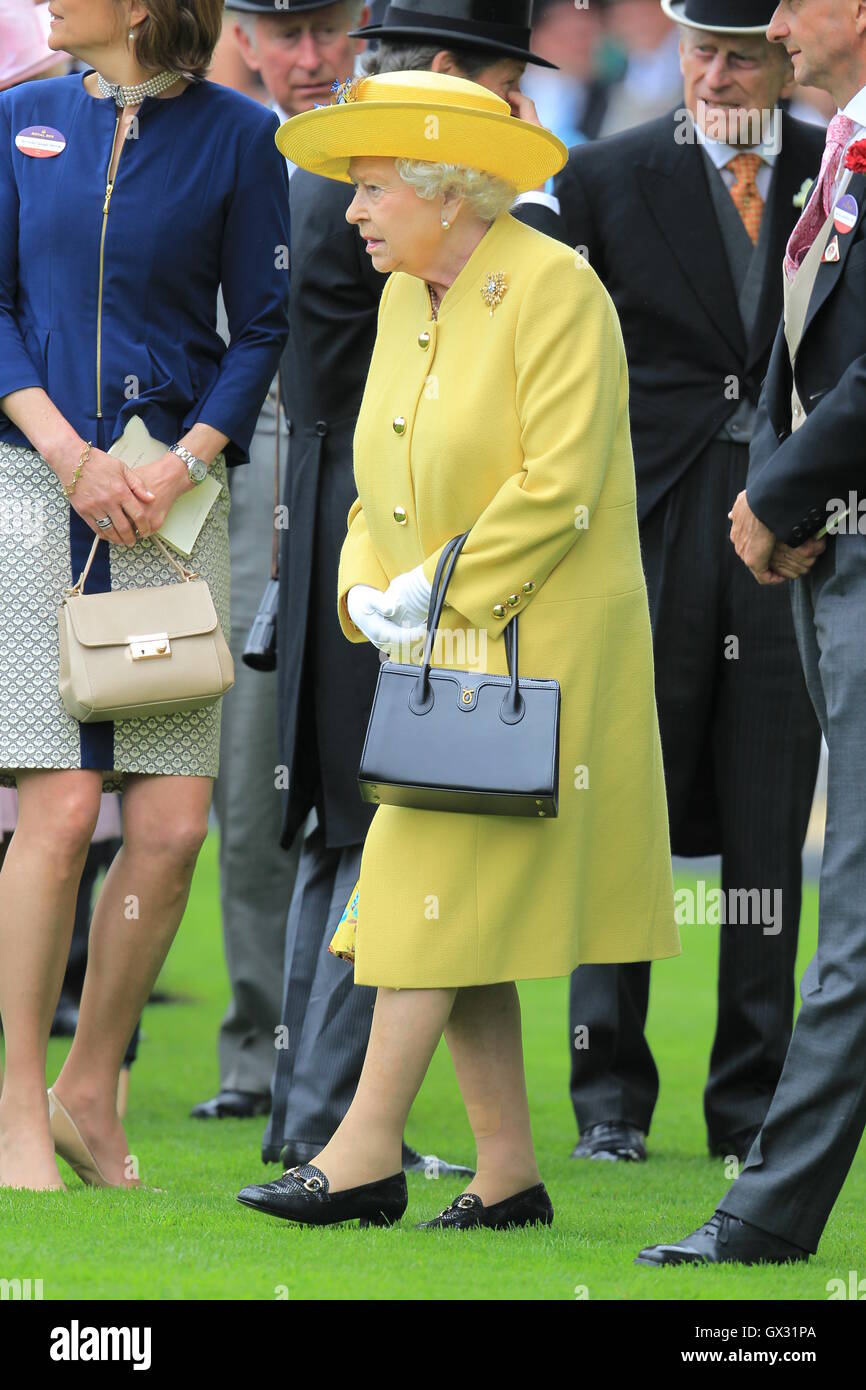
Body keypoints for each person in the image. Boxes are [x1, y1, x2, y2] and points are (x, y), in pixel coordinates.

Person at [237, 68, 681, 1230]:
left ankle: (361, 1150)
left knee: (421, 889)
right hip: (443, 658)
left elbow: (561, 488)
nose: (351, 214)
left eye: (373, 188)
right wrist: (360, 591)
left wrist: (433, 592)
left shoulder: (555, 286)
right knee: (454, 908)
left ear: (442, 189)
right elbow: (371, 482)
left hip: (539, 652)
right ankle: (506, 1175)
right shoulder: (402, 300)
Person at [520, 0, 824, 1166]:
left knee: (763, 830)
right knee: (616, 809)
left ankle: (747, 1105)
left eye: (737, 53)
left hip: (788, 529)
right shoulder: (599, 176)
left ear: (780, 57)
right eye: (697, 50)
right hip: (641, 528)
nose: (710, 74)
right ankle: (606, 1099)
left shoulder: (832, 169)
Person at [261, 0, 556, 1180]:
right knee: (376, 839)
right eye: (494, 86)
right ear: (444, 78)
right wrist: (520, 202)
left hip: (365, 541)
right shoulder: (399, 205)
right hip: (388, 547)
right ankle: (331, 1124)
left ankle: (328, 1117)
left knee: (366, 837)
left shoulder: (353, 175)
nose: (511, 111)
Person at [0, 0, 289, 1191]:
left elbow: (258, 327)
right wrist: (71, 455)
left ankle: (91, 1090)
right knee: (62, 813)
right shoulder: (16, 119)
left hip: (175, 502)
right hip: (32, 491)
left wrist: (185, 458)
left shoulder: (244, 135)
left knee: (169, 831)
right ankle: (19, 1101)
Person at [638, 0, 866, 1266]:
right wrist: (778, 496)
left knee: (853, 909)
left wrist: (774, 494)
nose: (771, 20)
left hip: (837, 545)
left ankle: (768, 1210)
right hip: (827, 550)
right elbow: (799, 356)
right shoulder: (836, 145)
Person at [191, 0, 369, 1126]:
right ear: (243, 37)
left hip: (384, 463)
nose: (307, 57)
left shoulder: (393, 142)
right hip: (239, 462)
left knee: (382, 776)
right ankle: (259, 1048)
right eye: (282, 32)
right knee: (251, 770)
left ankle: (358, 1064)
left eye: (326, 29)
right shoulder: (214, 139)